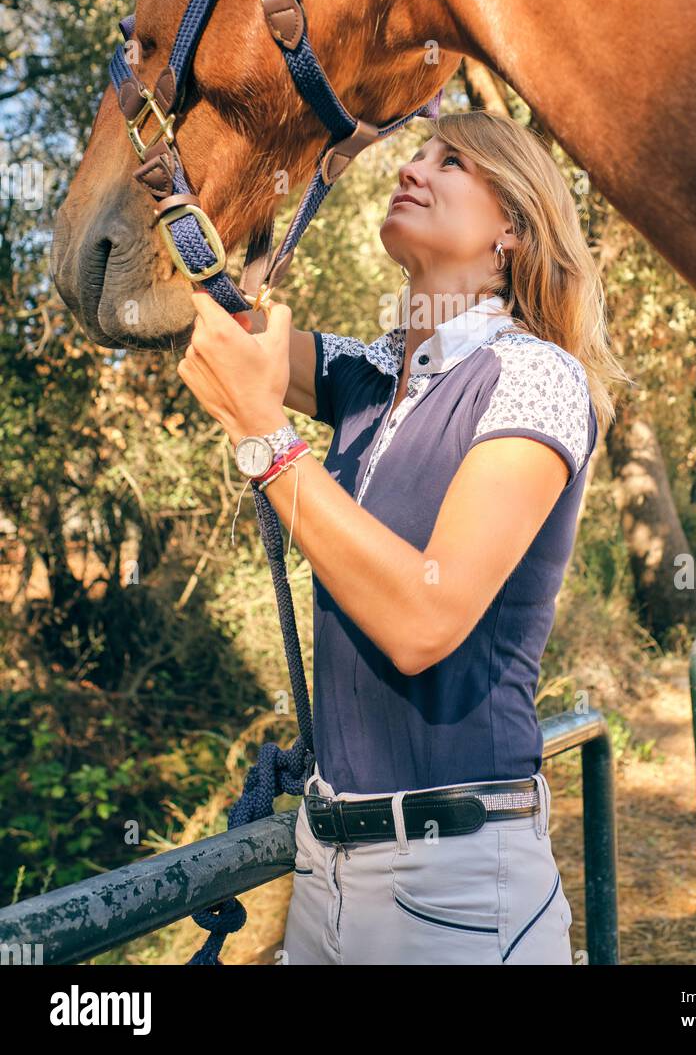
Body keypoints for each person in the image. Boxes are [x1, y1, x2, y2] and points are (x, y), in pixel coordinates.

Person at [177, 110, 627, 965]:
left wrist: (265, 436)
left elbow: (425, 624)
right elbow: (204, 319)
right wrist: (275, 142)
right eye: (414, 153)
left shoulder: (534, 376)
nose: (413, 168)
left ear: (512, 232)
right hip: (320, 875)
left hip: (461, 887)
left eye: (450, 160)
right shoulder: (367, 375)